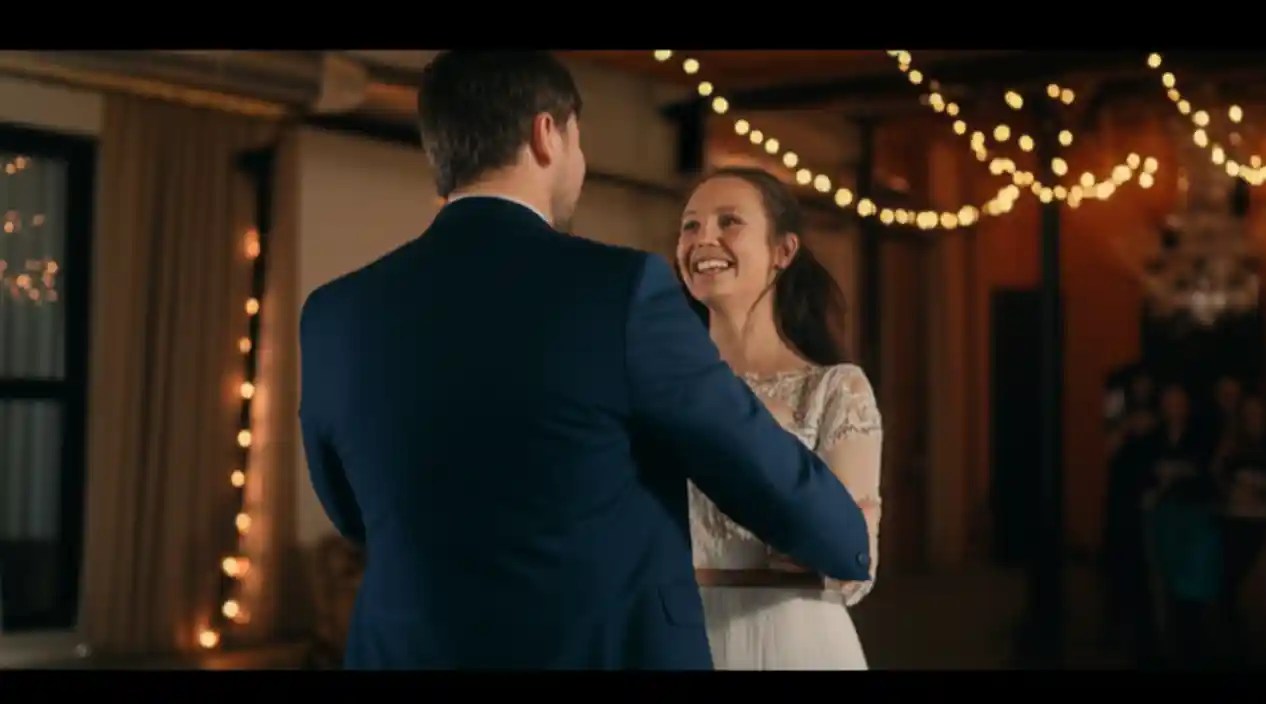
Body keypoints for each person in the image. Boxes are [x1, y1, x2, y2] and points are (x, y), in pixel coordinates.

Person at [297, 50, 871, 670]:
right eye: (578, 139)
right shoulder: (621, 290)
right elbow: (746, 458)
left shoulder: (333, 313)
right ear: (547, 134)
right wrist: (847, 541)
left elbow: (351, 512)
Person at [675, 167, 882, 669]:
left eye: (729, 222)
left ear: (782, 251)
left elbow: (856, 563)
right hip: (677, 635)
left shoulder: (834, 389)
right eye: (690, 226)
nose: (704, 239)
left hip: (793, 638)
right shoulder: (661, 386)